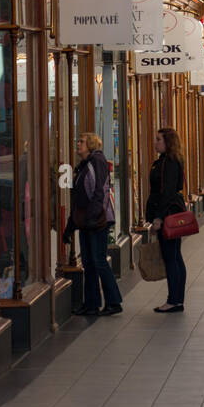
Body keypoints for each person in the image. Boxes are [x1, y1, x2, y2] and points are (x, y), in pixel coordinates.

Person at [71, 133, 123, 317]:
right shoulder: (84, 165)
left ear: (90, 145)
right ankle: (91, 303)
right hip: (86, 221)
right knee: (88, 262)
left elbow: (100, 191)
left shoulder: (97, 162)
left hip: (97, 220)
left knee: (99, 260)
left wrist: (92, 216)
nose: (78, 144)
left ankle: (113, 301)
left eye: (81, 142)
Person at [146, 127, 186, 312]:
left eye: (158, 139)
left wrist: (158, 218)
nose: (155, 142)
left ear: (167, 142)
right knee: (175, 256)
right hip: (171, 212)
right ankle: (177, 299)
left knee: (171, 257)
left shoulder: (168, 162)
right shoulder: (170, 160)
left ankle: (173, 300)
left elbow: (167, 191)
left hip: (168, 214)